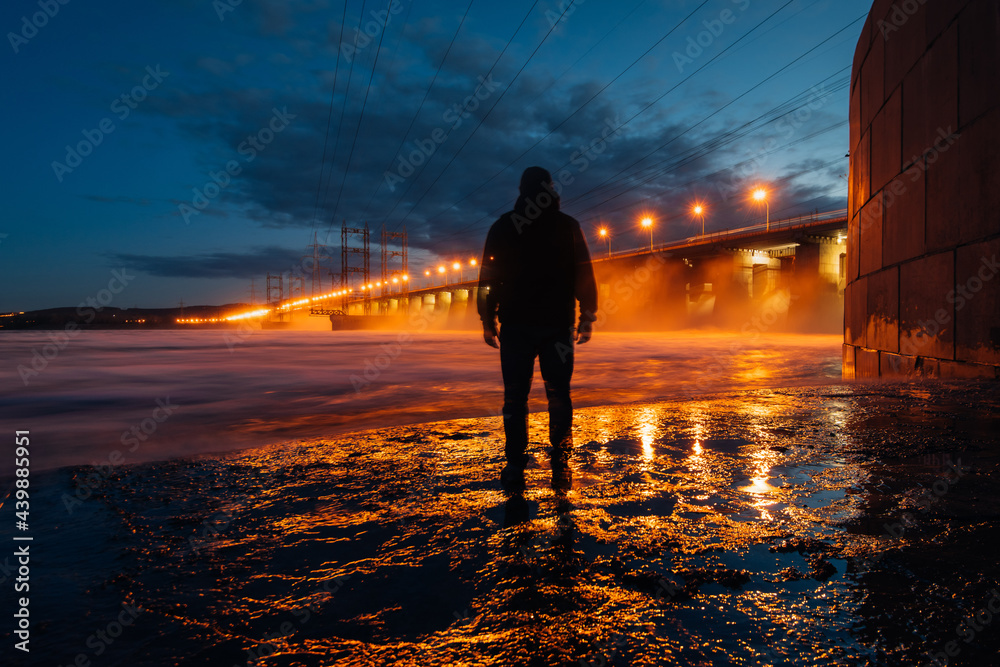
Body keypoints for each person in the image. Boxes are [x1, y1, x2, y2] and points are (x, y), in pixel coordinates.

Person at [477, 166, 598, 494]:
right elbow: (582, 271)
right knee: (559, 395)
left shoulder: (503, 227)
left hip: (516, 326)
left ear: (521, 190)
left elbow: (489, 278)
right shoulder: (568, 226)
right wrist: (588, 314)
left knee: (515, 398)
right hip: (557, 326)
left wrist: (487, 319)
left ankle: (515, 466)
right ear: (550, 188)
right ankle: (561, 464)